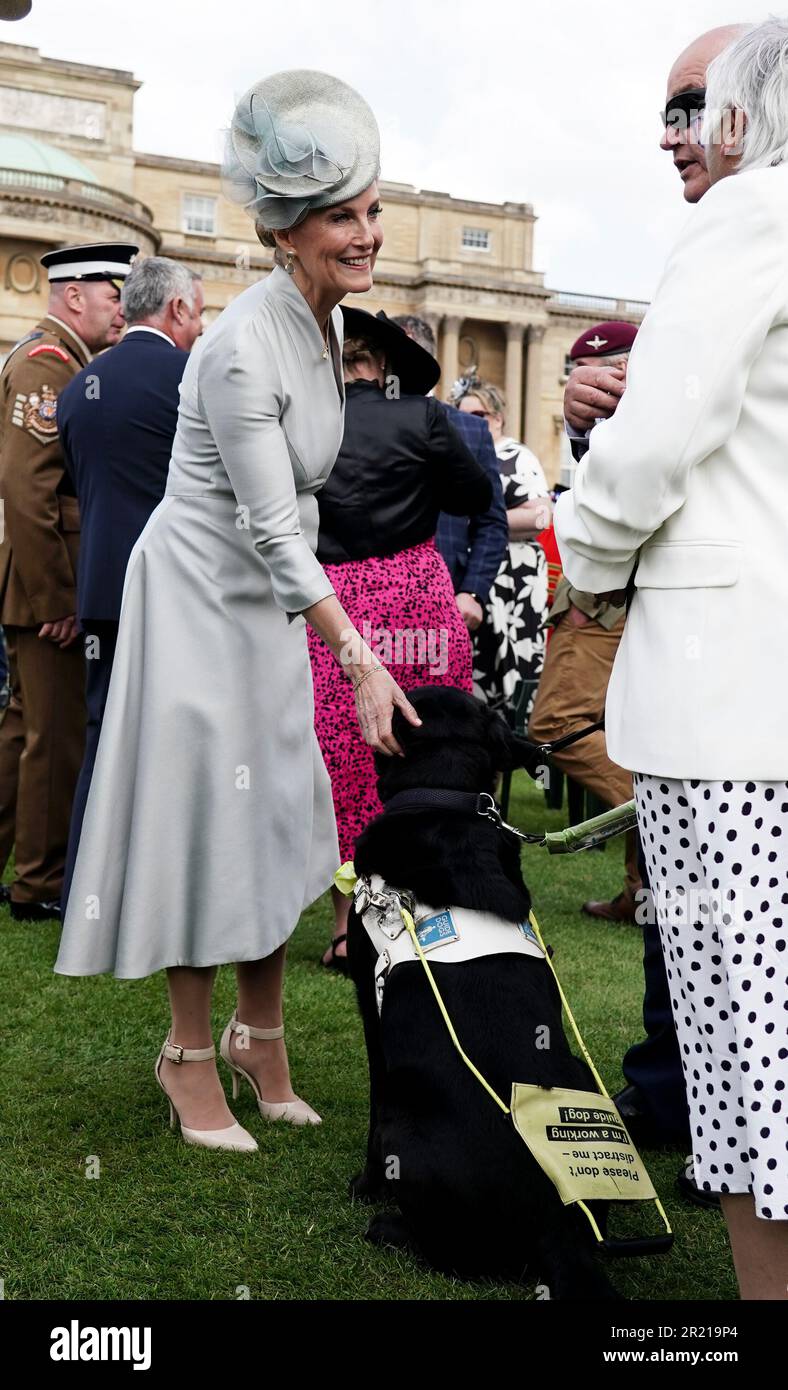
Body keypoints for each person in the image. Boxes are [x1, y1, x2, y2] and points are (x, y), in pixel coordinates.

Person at [55, 70, 420, 1154]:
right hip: (202, 595)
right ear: (286, 232)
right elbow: (269, 522)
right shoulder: (235, 347)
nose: (366, 233)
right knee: (209, 814)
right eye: (342, 217)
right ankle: (183, 1053)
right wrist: (357, 656)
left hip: (267, 598)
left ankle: (260, 1036)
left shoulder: (330, 320)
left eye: (368, 209)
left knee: (276, 810)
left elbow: (295, 514)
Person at [555, 19, 788, 1299]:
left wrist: (580, 554)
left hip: (735, 709)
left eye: (692, 104)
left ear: (748, 113)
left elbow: (653, 457)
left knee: (752, 1049)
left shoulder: (750, 216)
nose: (673, 133)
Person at [308, 307, 491, 970]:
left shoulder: (306, 420)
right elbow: (474, 495)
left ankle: (344, 928)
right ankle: (428, 913)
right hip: (413, 591)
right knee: (426, 745)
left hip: (333, 606)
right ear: (382, 363)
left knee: (343, 757)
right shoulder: (423, 416)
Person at [58, 257, 205, 913]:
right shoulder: (195, 381)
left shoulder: (77, 387)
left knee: (101, 735)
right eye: (197, 314)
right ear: (175, 310)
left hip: (100, 593)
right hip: (177, 592)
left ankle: (88, 888)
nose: (200, 329)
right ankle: (164, 890)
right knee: (177, 742)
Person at [0, 241, 136, 921]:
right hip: (44, 588)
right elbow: (29, 496)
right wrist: (57, 600)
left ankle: (23, 866)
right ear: (73, 295)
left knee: (25, 732)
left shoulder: (66, 364)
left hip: (40, 584)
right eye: (112, 296)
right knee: (54, 741)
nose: (119, 311)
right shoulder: (46, 367)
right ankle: (41, 884)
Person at [529, 322, 642, 924]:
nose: (607, 380)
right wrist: (579, 430)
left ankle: (662, 818)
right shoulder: (600, 417)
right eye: (595, 371)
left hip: (610, 597)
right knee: (628, 737)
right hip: (604, 593)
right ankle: (642, 891)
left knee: (558, 725)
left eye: (622, 365)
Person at [390, 314, 508, 635]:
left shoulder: (471, 429)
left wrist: (472, 592)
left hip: (447, 600)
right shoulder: (354, 420)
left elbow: (492, 521)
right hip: (370, 602)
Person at [452, 376, 551, 712]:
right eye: (461, 413)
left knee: (512, 666)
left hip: (515, 578)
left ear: (496, 418)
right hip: (479, 577)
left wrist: (483, 525)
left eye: (477, 415)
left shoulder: (515, 455)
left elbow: (541, 517)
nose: (469, 421)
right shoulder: (459, 455)